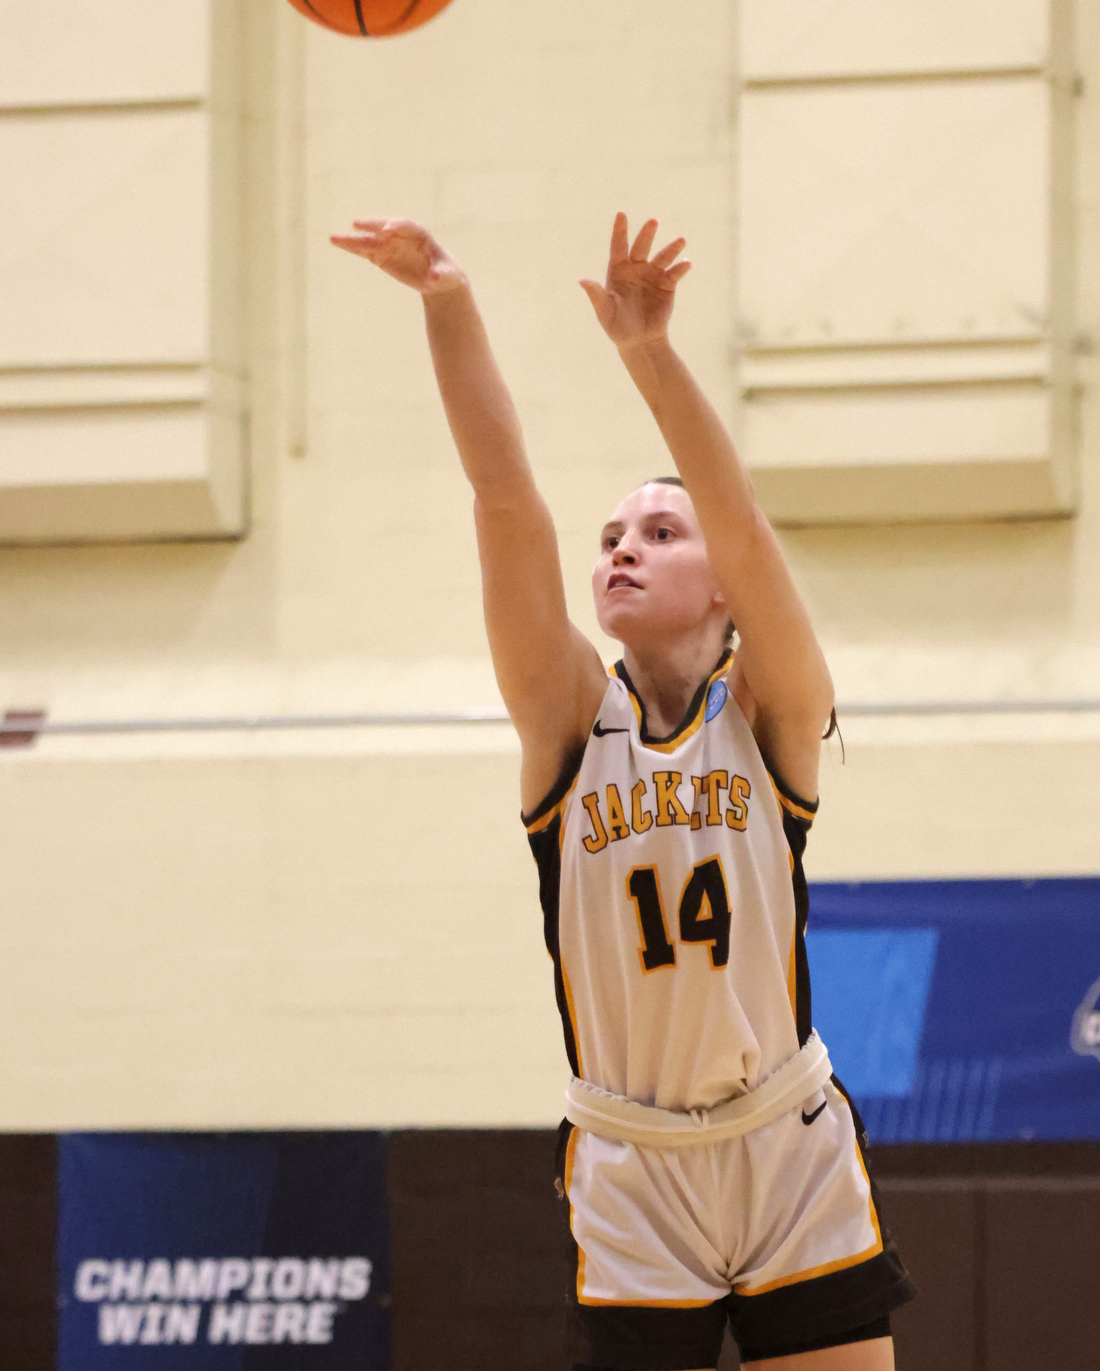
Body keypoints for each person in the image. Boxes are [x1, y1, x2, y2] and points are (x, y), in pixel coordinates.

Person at [331, 213, 915, 1371]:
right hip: (631, 1160)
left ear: (724, 595)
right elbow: (507, 507)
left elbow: (741, 525)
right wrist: (446, 301)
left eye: (658, 529)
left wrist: (648, 352)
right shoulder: (565, 719)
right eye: (610, 536)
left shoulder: (768, 712)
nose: (619, 548)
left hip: (783, 1140)